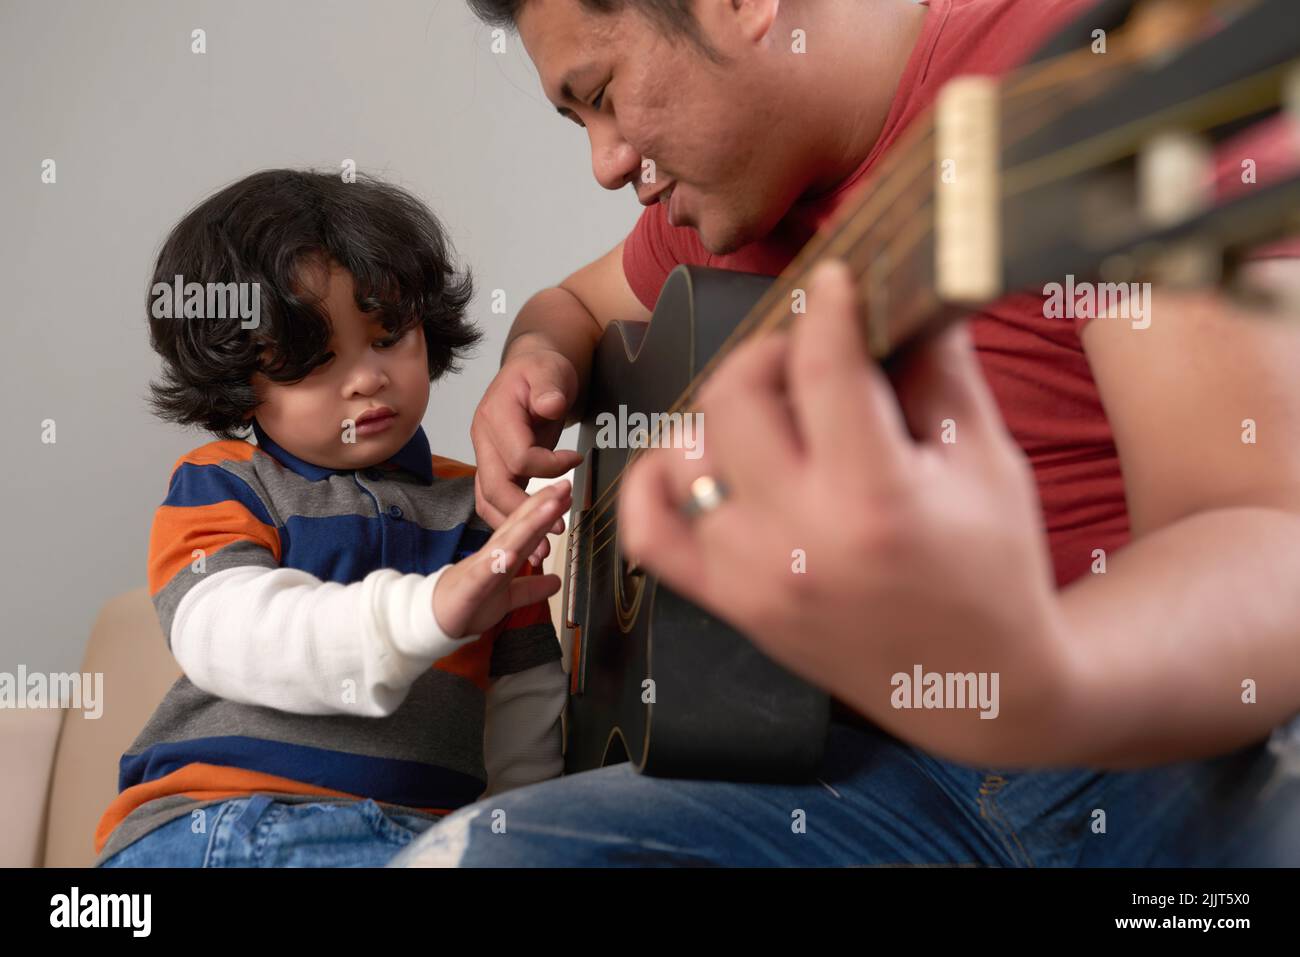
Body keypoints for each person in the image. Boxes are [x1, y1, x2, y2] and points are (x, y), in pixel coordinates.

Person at [390, 0, 1300, 866]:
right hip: (869, 782)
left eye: (602, 96)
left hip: (1171, 757)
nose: (606, 162)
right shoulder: (720, 210)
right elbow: (574, 303)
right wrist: (535, 359)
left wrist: (1032, 678)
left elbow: (1268, 540)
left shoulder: (1081, 71)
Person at [95, 169, 571, 867]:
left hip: (421, 839)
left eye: (389, 335)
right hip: (222, 822)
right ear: (239, 382)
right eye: (313, 362)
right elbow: (226, 630)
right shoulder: (225, 481)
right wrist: (424, 611)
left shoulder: (485, 506)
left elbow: (524, 720)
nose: (366, 378)